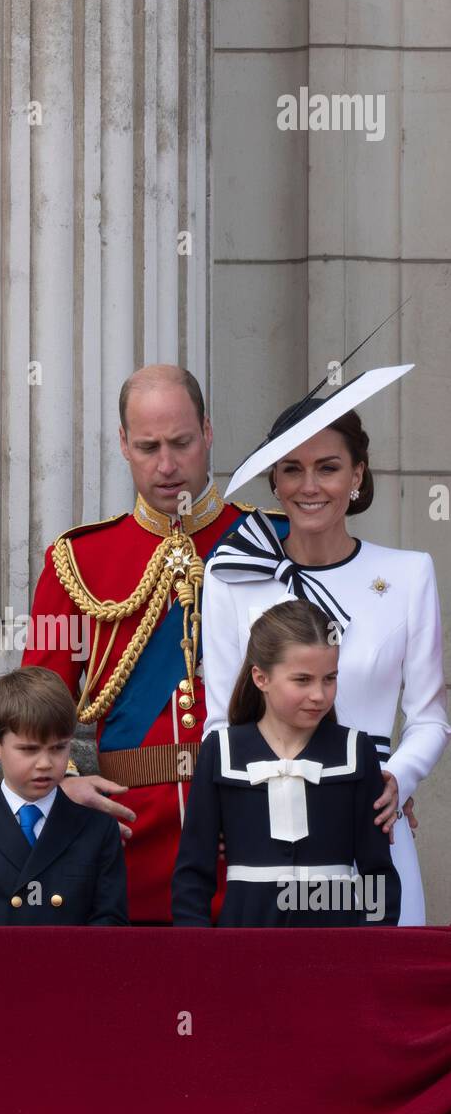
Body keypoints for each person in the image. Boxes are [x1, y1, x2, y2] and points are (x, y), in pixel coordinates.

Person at [21, 365, 286, 923]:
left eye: (182, 443)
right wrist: (64, 783)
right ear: (122, 443)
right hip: (129, 838)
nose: (167, 466)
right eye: (148, 447)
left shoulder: (272, 543)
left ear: (208, 431)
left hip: (255, 826)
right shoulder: (78, 561)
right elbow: (34, 705)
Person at [201, 392, 450, 926]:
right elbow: (220, 722)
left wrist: (395, 782)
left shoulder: (409, 575)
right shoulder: (232, 578)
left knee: (377, 998)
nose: (309, 486)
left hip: (373, 818)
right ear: (274, 480)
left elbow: (430, 718)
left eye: (328, 468)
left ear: (357, 474)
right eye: (292, 469)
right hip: (266, 827)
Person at [171, 600, 401, 926]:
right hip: (243, 947)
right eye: (302, 680)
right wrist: (197, 955)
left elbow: (378, 874)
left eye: (329, 678)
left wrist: (369, 955)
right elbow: (193, 875)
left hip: (335, 949)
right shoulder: (219, 752)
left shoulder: (356, 750)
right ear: (261, 678)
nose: (320, 695)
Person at [0, 667, 128, 925]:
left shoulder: (98, 830)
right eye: (29, 750)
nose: (45, 763)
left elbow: (110, 928)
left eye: (58, 748)